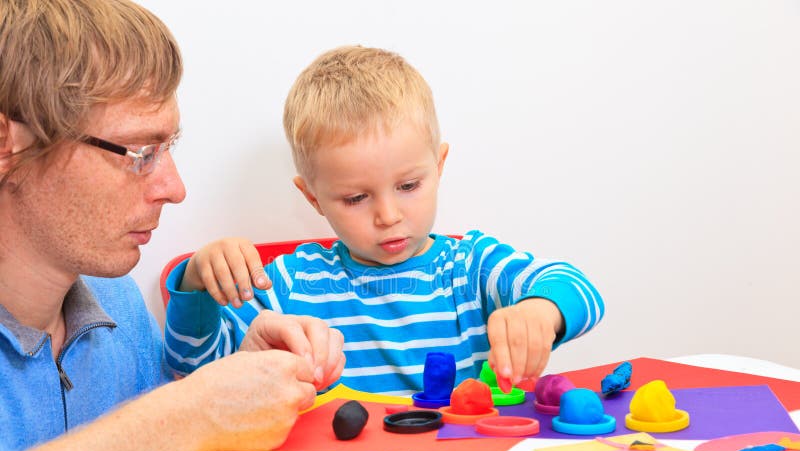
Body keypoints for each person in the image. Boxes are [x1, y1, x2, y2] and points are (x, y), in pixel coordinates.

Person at [0, 1, 344, 451]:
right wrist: (193, 412)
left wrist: (232, 379)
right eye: (140, 152)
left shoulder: (118, 308)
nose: (174, 189)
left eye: (168, 147)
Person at [165, 45, 604, 395]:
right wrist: (198, 283)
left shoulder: (471, 267)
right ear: (313, 198)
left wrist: (542, 310)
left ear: (440, 165)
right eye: (356, 198)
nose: (389, 216)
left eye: (409, 186)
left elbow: (578, 288)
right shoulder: (291, 284)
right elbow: (196, 371)